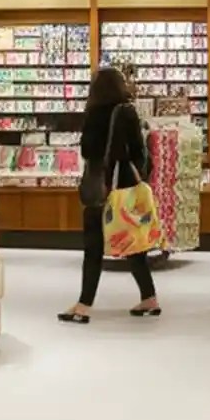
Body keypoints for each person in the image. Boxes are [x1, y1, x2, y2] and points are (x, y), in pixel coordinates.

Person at [59, 68, 160, 324]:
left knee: (93, 245)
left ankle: (83, 304)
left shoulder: (96, 114)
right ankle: (149, 297)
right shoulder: (128, 110)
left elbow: (88, 150)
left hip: (102, 185)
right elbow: (140, 150)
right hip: (125, 184)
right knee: (133, 241)